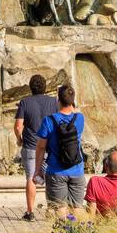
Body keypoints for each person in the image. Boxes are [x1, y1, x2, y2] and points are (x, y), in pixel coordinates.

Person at [34, 83, 86, 212]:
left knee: (59, 210)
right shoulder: (80, 118)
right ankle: (78, 232)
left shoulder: (49, 121)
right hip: (77, 171)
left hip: (56, 171)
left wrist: (38, 169)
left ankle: (62, 231)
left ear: (58, 99)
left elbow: (41, 147)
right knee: (77, 209)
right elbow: (72, 110)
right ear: (72, 100)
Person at [14, 74, 58, 222]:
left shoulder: (24, 102)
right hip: (50, 147)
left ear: (31, 88)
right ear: (45, 87)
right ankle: (51, 210)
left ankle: (30, 212)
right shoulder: (54, 102)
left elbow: (18, 126)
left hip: (31, 147)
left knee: (31, 178)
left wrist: (19, 139)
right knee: (51, 178)